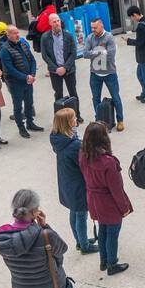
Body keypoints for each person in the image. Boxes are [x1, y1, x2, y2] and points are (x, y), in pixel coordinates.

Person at [79, 120, 132, 275]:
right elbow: (116, 189)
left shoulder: (83, 155)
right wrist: (124, 207)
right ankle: (112, 264)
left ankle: (103, 260)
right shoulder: (108, 162)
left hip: (93, 199)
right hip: (108, 201)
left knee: (102, 229)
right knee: (113, 233)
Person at [50, 108, 96, 252]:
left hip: (66, 183)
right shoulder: (75, 146)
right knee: (81, 215)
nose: (76, 119)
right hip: (78, 186)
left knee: (74, 212)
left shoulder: (58, 139)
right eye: (74, 118)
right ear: (68, 123)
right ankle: (84, 246)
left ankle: (79, 240)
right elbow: (86, 164)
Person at [0, 24, 41, 135]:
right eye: (15, 33)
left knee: (29, 103)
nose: (17, 35)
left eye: (17, 32)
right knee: (18, 106)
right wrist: (25, 77)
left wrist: (32, 74)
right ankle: (21, 128)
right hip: (15, 83)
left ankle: (30, 123)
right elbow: (10, 69)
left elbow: (32, 60)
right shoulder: (4, 49)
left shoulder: (23, 44)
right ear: (8, 35)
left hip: (28, 80)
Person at [84, 16, 124, 131]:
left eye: (95, 28)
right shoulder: (90, 38)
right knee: (95, 98)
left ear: (101, 25)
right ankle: (98, 120)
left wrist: (94, 52)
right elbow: (85, 54)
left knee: (116, 98)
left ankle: (120, 120)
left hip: (109, 73)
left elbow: (110, 56)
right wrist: (101, 51)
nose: (93, 30)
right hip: (95, 74)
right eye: (92, 28)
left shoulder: (109, 37)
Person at [40, 12, 81, 119]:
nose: (57, 23)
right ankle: (60, 118)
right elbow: (45, 55)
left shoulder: (68, 35)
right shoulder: (45, 37)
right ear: (50, 23)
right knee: (58, 94)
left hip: (69, 70)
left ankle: (77, 115)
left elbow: (73, 53)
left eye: (58, 21)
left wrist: (65, 67)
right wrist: (55, 68)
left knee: (73, 92)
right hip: (55, 71)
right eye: (54, 22)